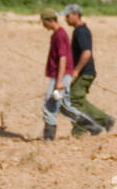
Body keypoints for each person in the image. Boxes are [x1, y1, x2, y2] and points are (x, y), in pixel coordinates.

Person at [40, 8, 103, 139]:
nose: (43, 25)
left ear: (50, 20)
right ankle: (93, 127)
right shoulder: (57, 34)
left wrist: (59, 81)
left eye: (43, 22)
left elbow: (63, 57)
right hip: (61, 76)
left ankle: (48, 138)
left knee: (49, 106)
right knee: (65, 107)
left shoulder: (60, 35)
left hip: (60, 76)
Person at [61, 4, 116, 136]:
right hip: (84, 72)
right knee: (77, 100)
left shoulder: (81, 32)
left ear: (75, 14)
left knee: (73, 101)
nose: (66, 19)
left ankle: (81, 130)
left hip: (84, 72)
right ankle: (104, 120)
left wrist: (76, 71)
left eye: (67, 16)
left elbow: (86, 53)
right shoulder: (79, 30)